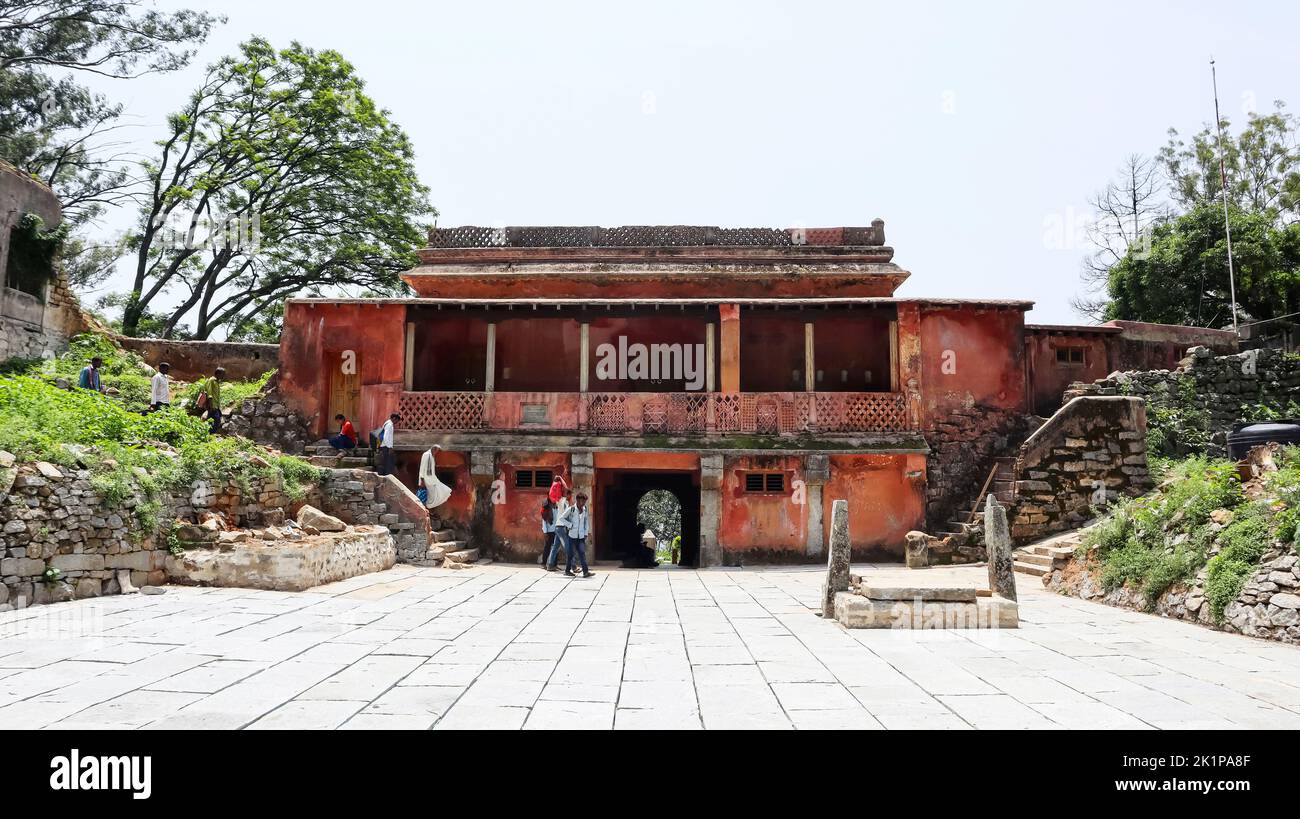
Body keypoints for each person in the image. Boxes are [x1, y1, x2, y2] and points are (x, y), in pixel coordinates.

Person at [561, 492, 594, 578]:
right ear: (578, 500)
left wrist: (586, 532)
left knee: (582, 553)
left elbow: (586, 522)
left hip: (581, 536)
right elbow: (562, 518)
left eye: (584, 501)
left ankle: (585, 572)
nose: (583, 503)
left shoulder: (585, 509)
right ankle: (567, 570)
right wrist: (570, 525)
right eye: (581, 501)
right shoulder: (571, 509)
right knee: (571, 554)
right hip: (572, 536)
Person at [547, 487, 574, 571]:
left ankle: (550, 565)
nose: (571, 497)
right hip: (561, 527)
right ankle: (573, 566)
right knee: (567, 546)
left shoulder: (565, 502)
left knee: (555, 547)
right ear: (568, 495)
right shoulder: (562, 501)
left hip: (559, 527)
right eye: (570, 495)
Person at [418, 444, 453, 510]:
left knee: (443, 490)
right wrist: (422, 480)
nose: (437, 453)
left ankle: (428, 506)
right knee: (431, 494)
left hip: (432, 478)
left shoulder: (432, 456)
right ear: (433, 449)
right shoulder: (426, 455)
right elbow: (422, 467)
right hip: (426, 479)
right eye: (436, 451)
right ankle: (426, 506)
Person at [197, 367, 226, 433]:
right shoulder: (211, 380)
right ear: (217, 373)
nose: (223, 376)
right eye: (222, 374)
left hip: (216, 405)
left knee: (213, 419)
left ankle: (206, 432)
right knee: (216, 420)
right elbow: (209, 393)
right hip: (212, 405)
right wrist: (211, 405)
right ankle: (210, 433)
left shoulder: (217, 382)